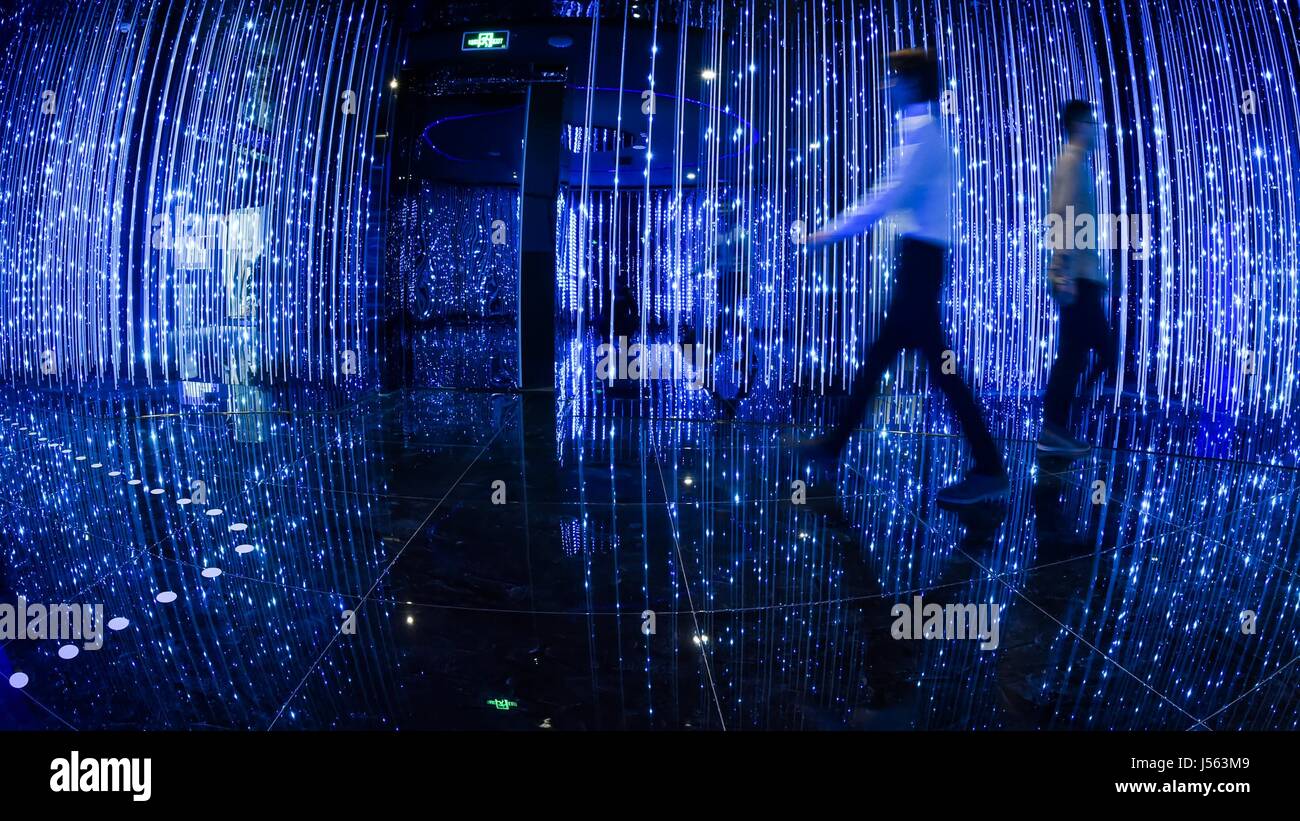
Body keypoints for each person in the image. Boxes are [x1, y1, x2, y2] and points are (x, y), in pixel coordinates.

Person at [802, 48, 1009, 506]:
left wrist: (829, 232)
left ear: (913, 84)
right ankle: (835, 446)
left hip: (921, 263)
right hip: (919, 261)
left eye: (894, 79)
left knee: (931, 369)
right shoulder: (918, 134)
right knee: (897, 362)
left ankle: (990, 467)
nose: (888, 87)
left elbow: (886, 197)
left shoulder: (925, 140)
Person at [1039, 99, 1117, 457]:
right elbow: (1063, 217)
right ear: (1079, 125)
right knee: (1084, 354)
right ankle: (1056, 426)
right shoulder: (1071, 163)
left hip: (1083, 277)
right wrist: (1063, 271)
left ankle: (1059, 424)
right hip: (1077, 279)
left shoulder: (1076, 163)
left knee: (1081, 354)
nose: (1096, 129)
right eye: (1091, 122)